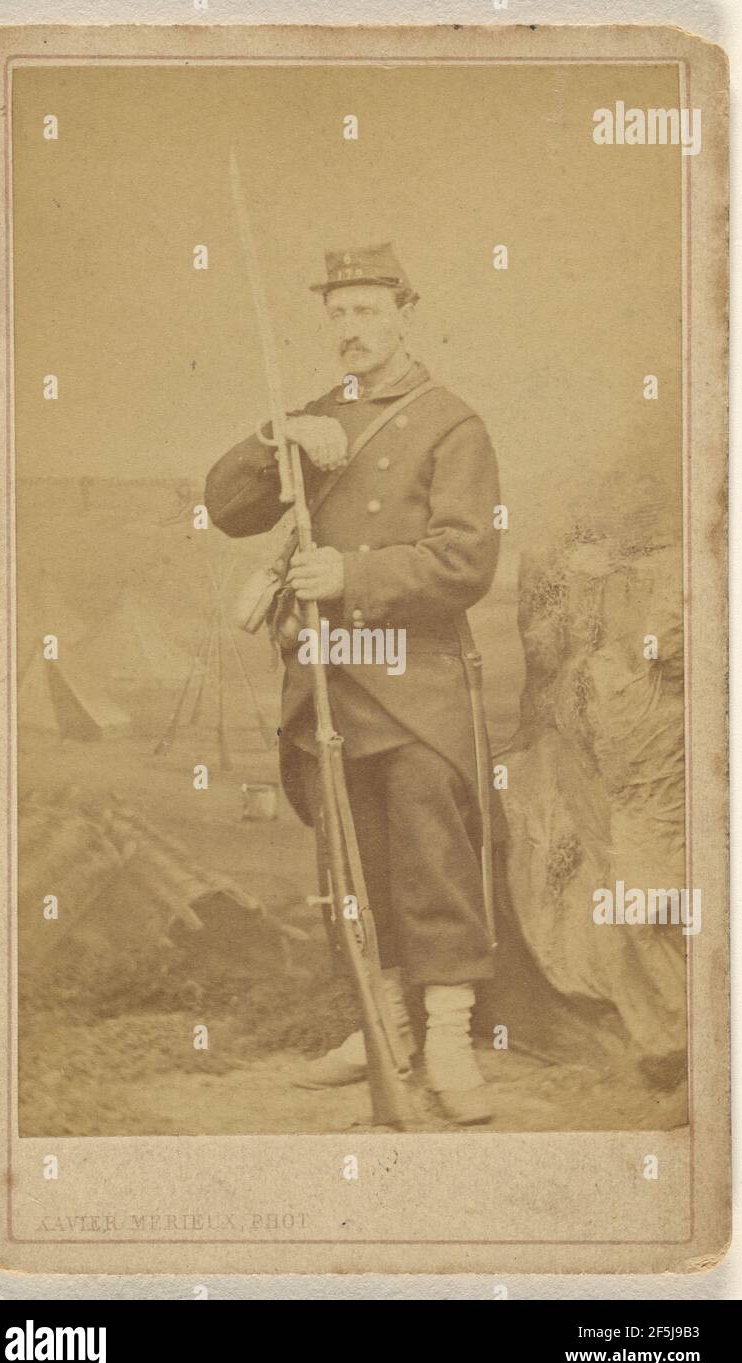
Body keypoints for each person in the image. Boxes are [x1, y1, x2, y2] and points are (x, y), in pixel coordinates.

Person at [205, 242, 502, 1124]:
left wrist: (352, 579)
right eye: (338, 313)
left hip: (413, 680)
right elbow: (226, 509)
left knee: (430, 859)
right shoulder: (314, 417)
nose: (351, 329)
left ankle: (446, 1039)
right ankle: (381, 1027)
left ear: (406, 312)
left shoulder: (452, 424)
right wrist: (276, 437)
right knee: (348, 858)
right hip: (327, 679)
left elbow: (465, 560)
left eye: (368, 310)